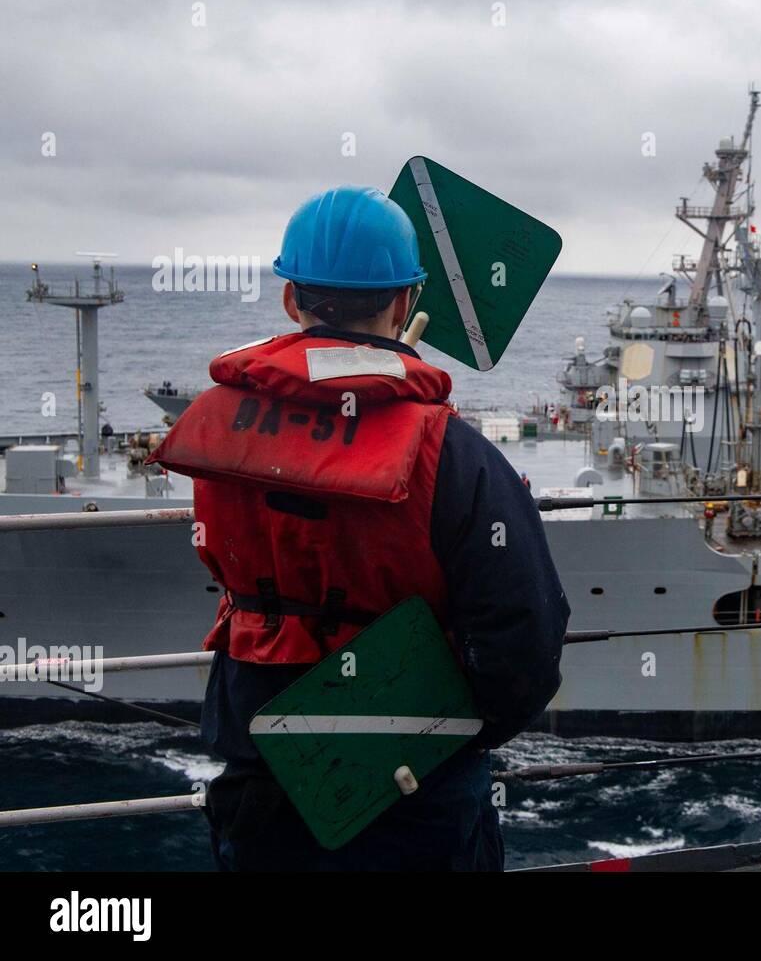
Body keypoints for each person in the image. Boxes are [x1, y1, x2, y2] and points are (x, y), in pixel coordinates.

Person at [149, 186, 569, 871]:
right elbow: (525, 638)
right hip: (413, 788)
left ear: (292, 300)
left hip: (261, 770)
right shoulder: (455, 455)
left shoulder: (219, 428)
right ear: (405, 302)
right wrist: (449, 732)